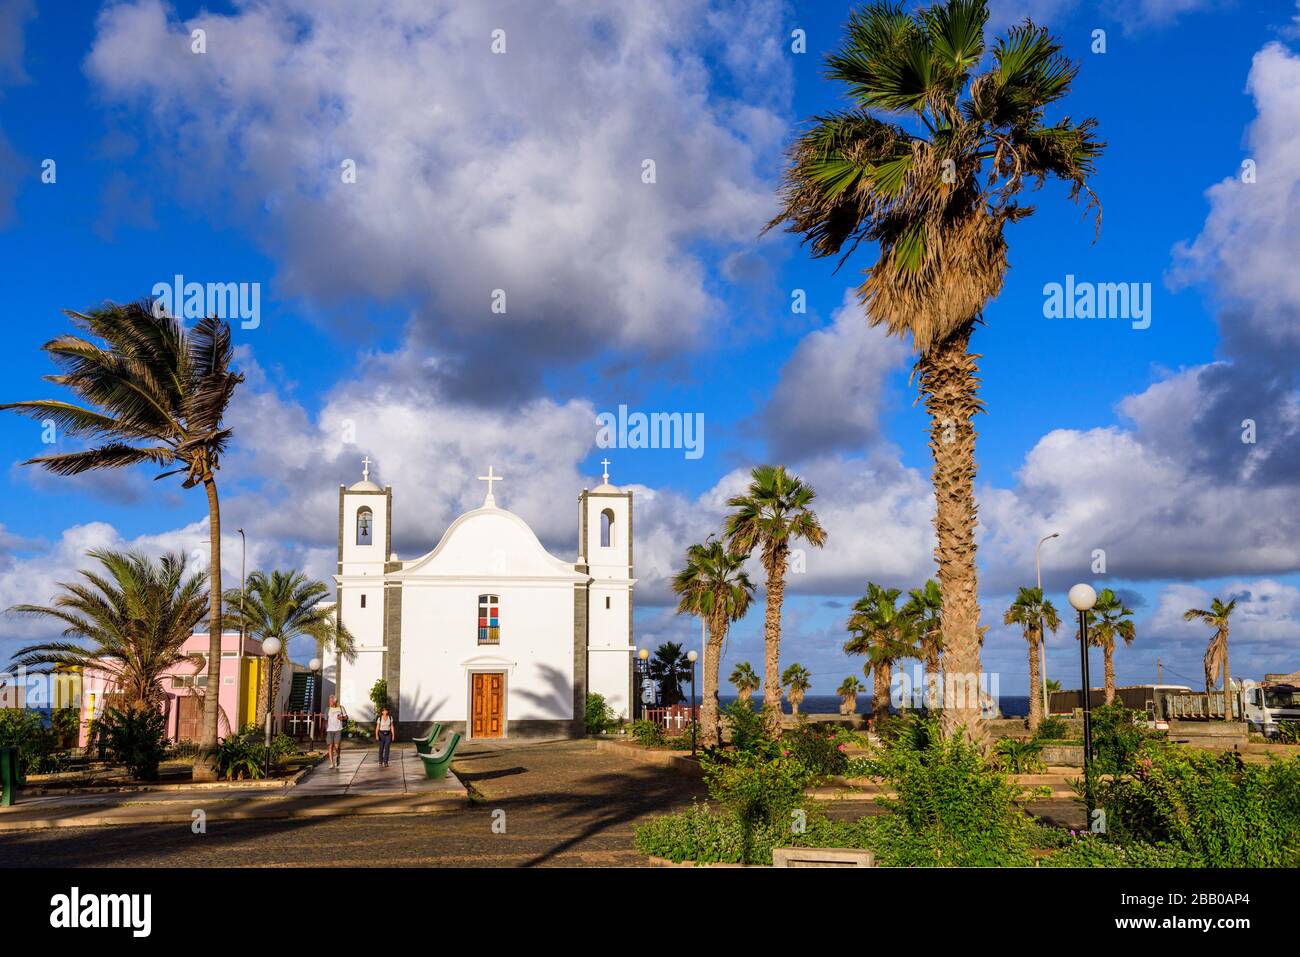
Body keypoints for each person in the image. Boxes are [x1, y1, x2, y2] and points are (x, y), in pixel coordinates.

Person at [325, 695, 347, 769]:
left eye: (331, 701)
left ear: (335, 701)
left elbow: (346, 717)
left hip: (338, 729)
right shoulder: (327, 709)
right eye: (329, 701)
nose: (329, 702)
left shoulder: (341, 708)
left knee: (337, 746)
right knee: (330, 746)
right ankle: (331, 763)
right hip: (329, 730)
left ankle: (338, 755)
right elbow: (325, 719)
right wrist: (323, 729)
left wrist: (342, 718)